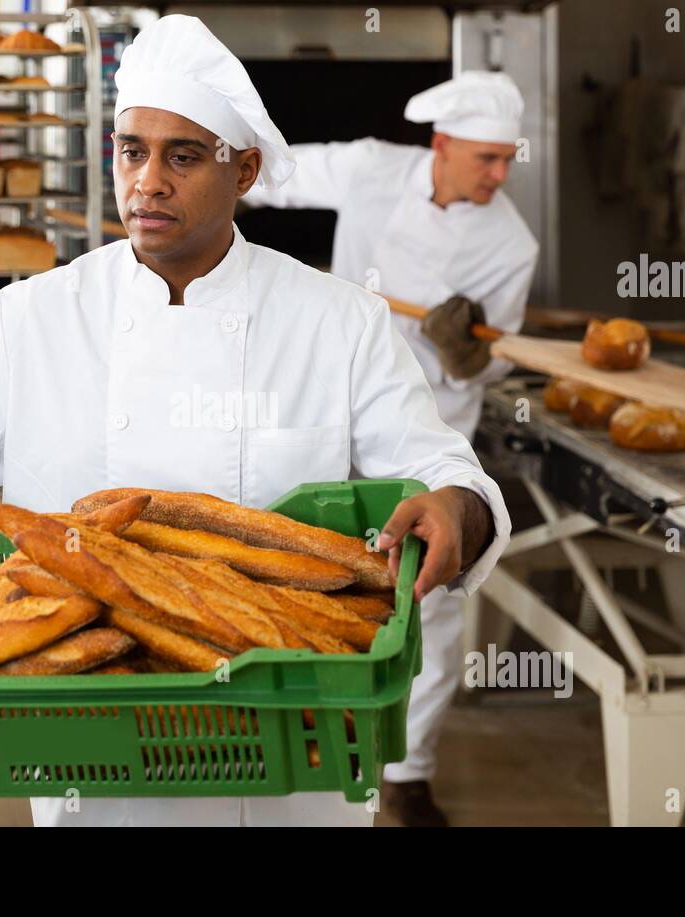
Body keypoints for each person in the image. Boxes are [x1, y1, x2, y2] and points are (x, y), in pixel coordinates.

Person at [0, 16, 511, 828]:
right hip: (88, 770)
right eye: (130, 151)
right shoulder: (33, 317)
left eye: (182, 156)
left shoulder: (339, 321)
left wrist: (456, 505)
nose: (147, 181)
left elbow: (445, 473)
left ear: (244, 168)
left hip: (288, 774)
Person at [244, 71, 539, 825]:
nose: (501, 176)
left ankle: (408, 772)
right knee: (309, 565)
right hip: (330, 405)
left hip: (427, 430)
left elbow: (496, 354)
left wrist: (472, 350)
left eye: (508, 160)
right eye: (486, 160)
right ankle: (294, 740)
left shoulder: (511, 240)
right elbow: (279, 171)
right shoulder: (375, 167)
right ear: (441, 146)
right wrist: (208, 190)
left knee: (428, 595)